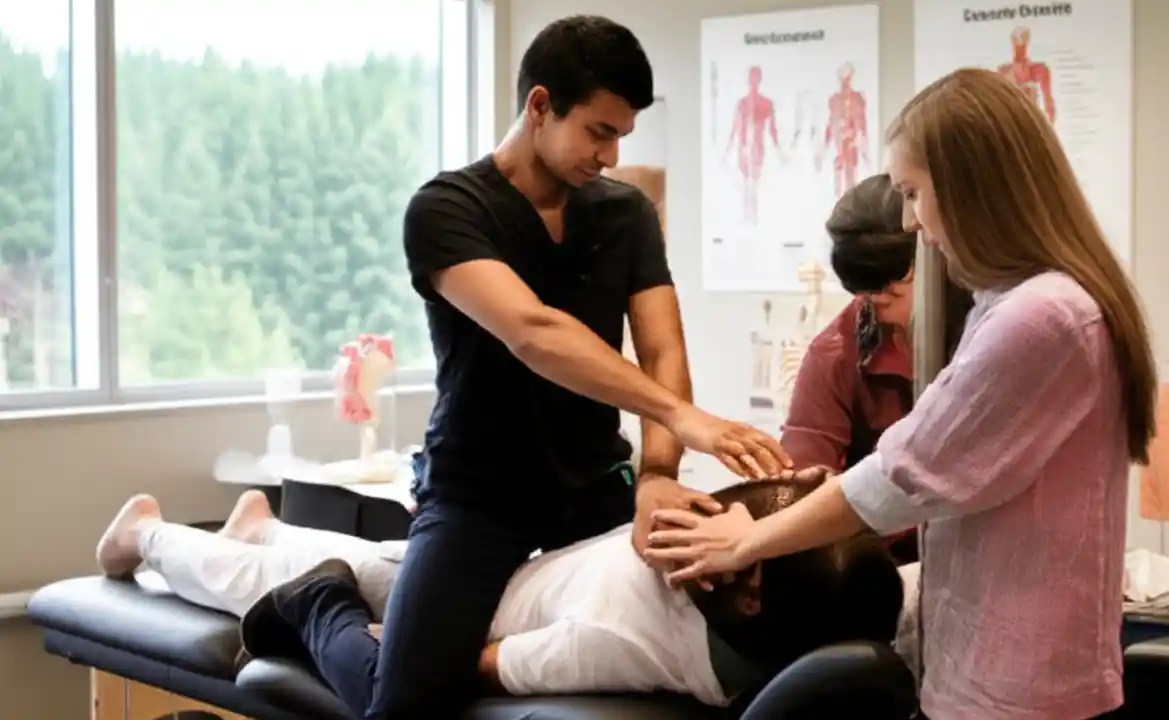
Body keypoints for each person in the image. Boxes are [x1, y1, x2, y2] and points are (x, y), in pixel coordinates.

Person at [242, 16, 791, 720]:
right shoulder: (446, 210)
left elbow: (662, 348)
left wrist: (659, 473)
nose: (611, 153)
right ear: (539, 106)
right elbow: (533, 332)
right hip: (478, 491)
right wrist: (684, 417)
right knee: (403, 704)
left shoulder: (625, 214)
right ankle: (319, 601)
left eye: (622, 134)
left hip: (594, 483)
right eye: (598, 131)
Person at [645, 67, 1158, 719]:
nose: (913, 222)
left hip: (1017, 693)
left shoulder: (1043, 316)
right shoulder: (1017, 307)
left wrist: (745, 543)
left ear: (970, 187)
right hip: (995, 670)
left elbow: (902, 478)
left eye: (915, 194)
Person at [94, 485, 902, 708]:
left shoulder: (628, 641)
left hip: (479, 609)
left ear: (749, 594)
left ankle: (149, 536)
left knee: (308, 585)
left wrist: (394, 645)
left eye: (747, 533)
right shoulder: (793, 585)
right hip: (501, 569)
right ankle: (262, 527)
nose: (732, 518)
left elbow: (482, 667)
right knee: (380, 556)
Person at [781, 174, 972, 565]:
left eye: (892, 292)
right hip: (882, 565)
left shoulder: (990, 334)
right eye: (863, 294)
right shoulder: (835, 354)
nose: (873, 305)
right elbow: (803, 482)